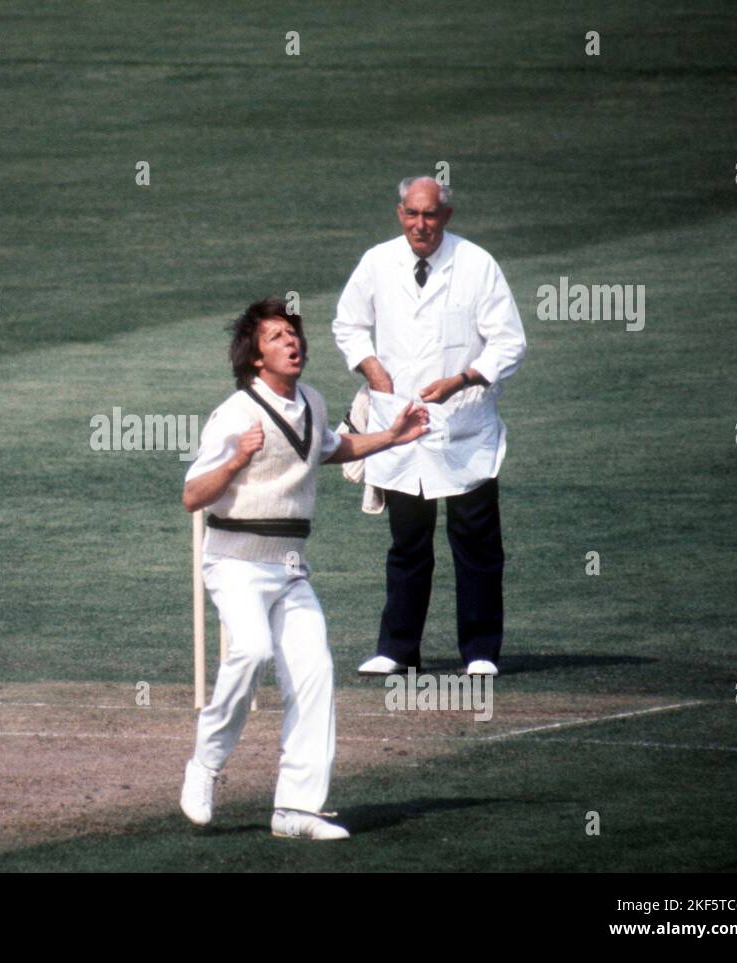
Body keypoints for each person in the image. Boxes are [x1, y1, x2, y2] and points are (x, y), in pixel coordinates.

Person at [180, 297, 427, 840]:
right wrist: (236, 460)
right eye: (275, 338)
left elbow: (333, 447)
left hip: (290, 569)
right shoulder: (235, 413)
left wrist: (392, 436)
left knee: (314, 674)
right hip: (234, 563)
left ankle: (295, 810)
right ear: (254, 360)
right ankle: (205, 765)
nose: (291, 343)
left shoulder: (313, 401)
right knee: (251, 651)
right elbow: (193, 495)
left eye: (293, 334)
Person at [332, 176, 526, 678]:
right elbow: (348, 324)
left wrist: (463, 378)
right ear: (400, 213)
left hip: (464, 427)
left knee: (476, 542)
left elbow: (508, 342)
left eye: (431, 215)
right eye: (412, 214)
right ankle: (398, 648)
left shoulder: (477, 264)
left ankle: (481, 650)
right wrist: (373, 371)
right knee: (407, 543)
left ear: (447, 216)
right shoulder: (378, 262)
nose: (421, 225)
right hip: (400, 425)